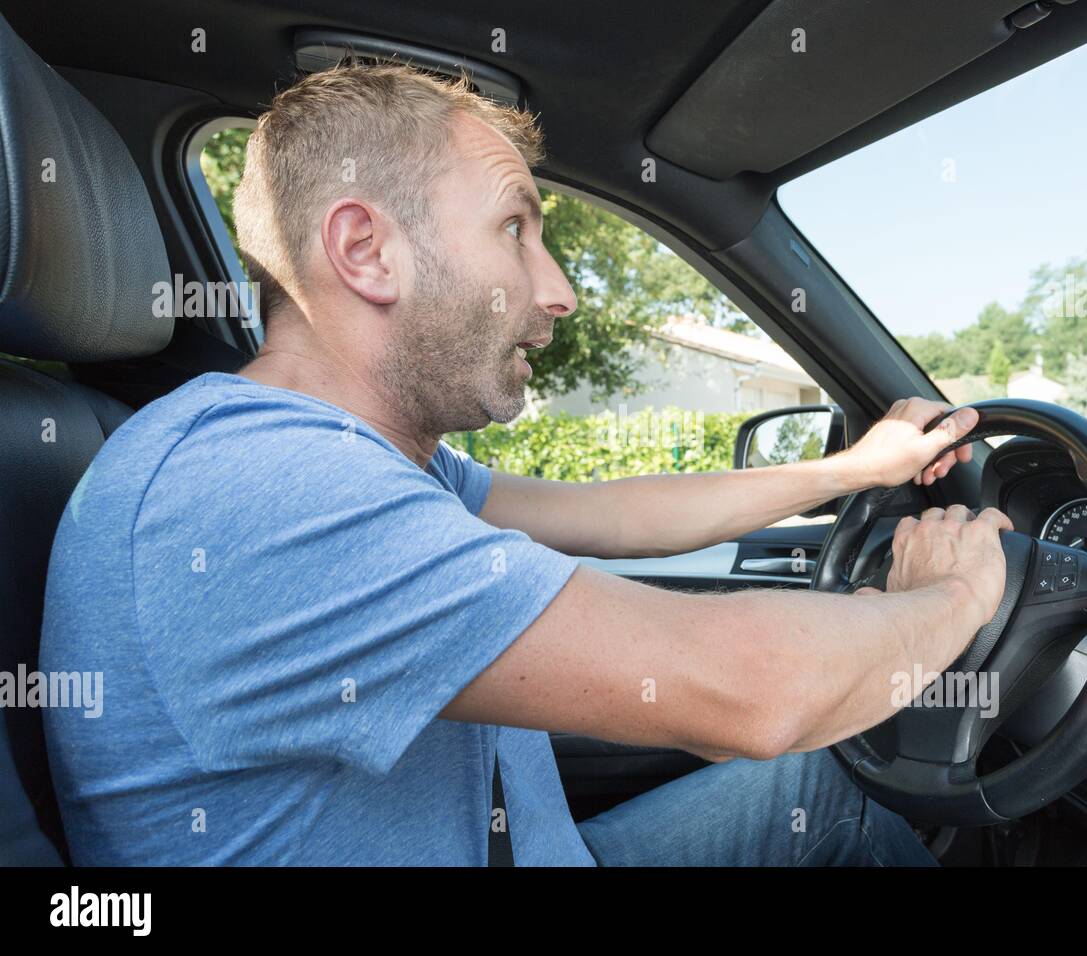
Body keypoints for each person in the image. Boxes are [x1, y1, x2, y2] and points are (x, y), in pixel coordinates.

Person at [40, 63, 1009, 866]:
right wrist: (956, 595)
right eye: (515, 227)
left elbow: (620, 515)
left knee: (812, 791)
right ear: (365, 250)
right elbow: (749, 693)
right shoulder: (260, 487)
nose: (560, 291)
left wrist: (851, 470)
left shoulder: (365, 461)